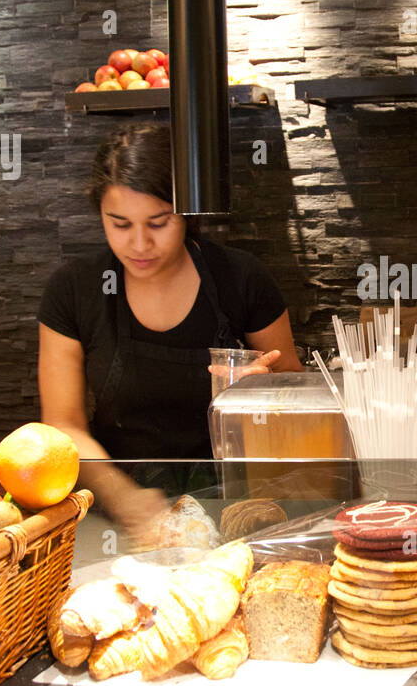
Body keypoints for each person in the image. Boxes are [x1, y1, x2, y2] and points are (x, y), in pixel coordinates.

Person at [37, 122, 303, 536]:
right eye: (120, 224)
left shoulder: (241, 278)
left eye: (158, 222)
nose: (139, 244)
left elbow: (298, 396)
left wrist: (263, 394)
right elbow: (63, 424)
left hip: (235, 510)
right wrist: (123, 497)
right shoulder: (73, 290)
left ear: (187, 213)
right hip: (119, 518)